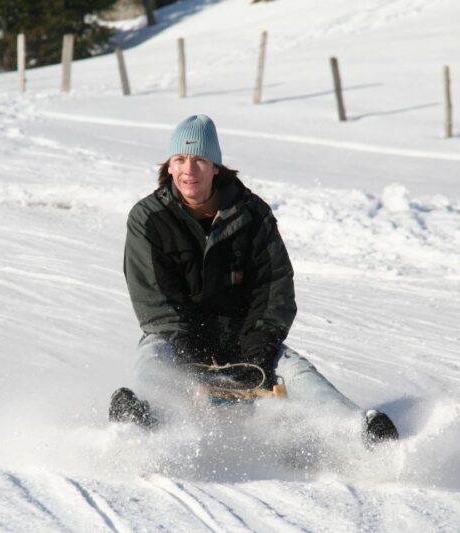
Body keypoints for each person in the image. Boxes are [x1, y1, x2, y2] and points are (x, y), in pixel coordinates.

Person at [110, 114, 398, 445]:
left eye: (200, 160)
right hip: (178, 338)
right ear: (170, 167)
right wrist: (187, 346)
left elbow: (275, 286)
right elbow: (153, 301)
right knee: (153, 357)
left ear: (216, 166)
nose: (190, 170)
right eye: (180, 159)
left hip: (245, 338)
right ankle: (145, 419)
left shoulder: (252, 215)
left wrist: (259, 345)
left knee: (296, 371)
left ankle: (357, 430)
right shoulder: (148, 219)